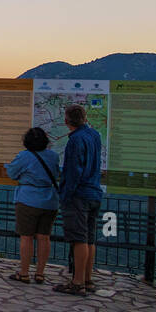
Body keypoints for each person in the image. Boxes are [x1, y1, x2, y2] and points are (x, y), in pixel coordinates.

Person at [55, 104, 103, 295]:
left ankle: (77, 283)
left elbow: (74, 170)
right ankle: (88, 279)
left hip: (79, 195)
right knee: (90, 239)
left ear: (67, 121)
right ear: (84, 118)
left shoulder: (75, 140)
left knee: (78, 239)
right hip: (94, 192)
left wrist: (65, 194)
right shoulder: (95, 136)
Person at [4, 127, 60, 283]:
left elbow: (12, 173)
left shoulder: (24, 156)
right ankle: (40, 273)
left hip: (28, 199)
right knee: (44, 237)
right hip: (50, 200)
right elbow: (56, 174)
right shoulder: (53, 156)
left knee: (26, 237)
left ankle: (24, 272)